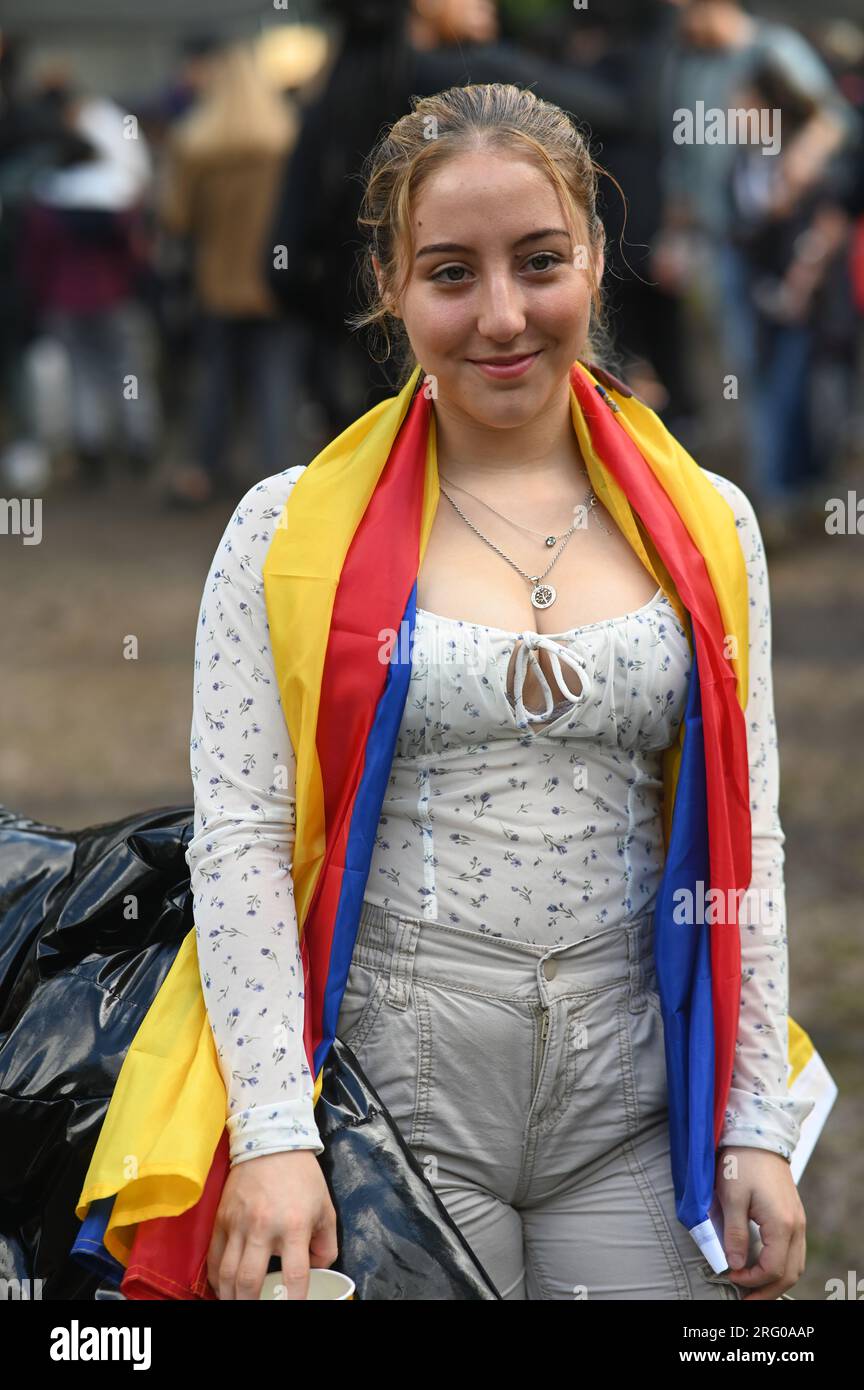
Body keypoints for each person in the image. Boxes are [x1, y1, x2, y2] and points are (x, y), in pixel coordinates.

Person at [187, 83, 811, 1300]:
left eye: (539, 262)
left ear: (594, 257)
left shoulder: (710, 523)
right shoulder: (285, 530)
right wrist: (272, 1133)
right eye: (450, 274)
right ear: (388, 282)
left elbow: (754, 835)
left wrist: (756, 1120)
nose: (504, 316)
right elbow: (243, 840)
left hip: (637, 1103)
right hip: (394, 1102)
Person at [159, 39, 300, 506]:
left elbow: (176, 218)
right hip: (275, 284)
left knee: (215, 378)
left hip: (217, 282)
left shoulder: (195, 143)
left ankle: (203, 469)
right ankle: (279, 478)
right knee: (275, 378)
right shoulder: (285, 139)